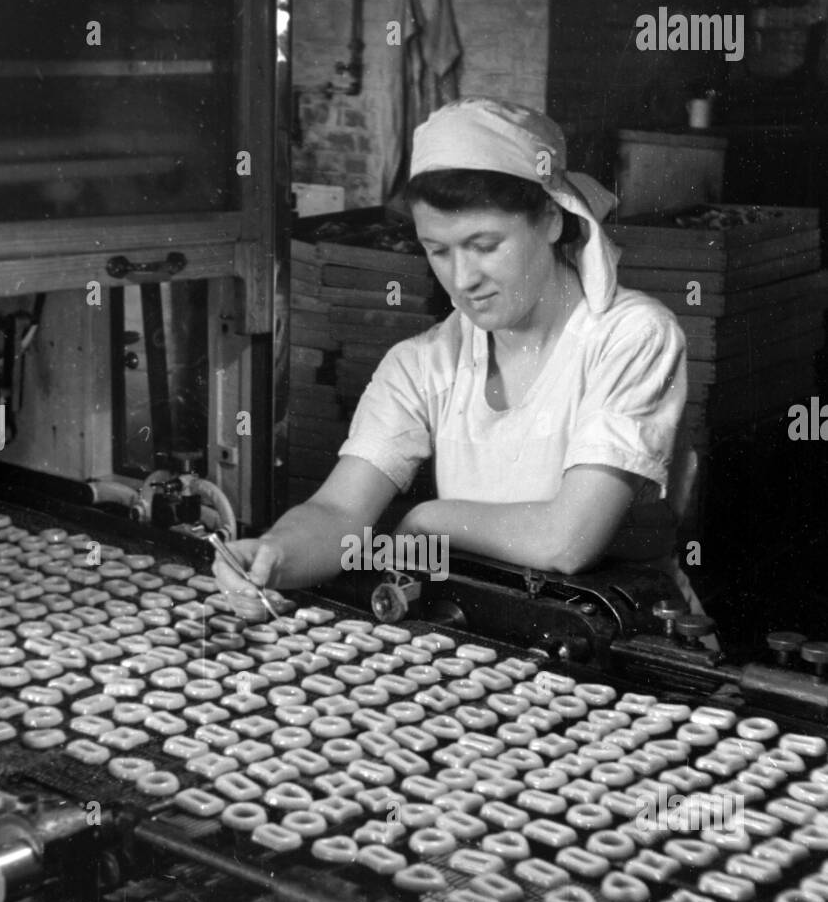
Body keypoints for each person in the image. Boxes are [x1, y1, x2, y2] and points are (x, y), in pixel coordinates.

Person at [214, 97, 700, 621]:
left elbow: (569, 539)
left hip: (627, 629)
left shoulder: (632, 337)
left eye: (484, 245)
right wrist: (275, 554)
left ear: (552, 220)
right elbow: (339, 512)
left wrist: (429, 520)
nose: (463, 279)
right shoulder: (422, 363)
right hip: (486, 620)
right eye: (438, 250)